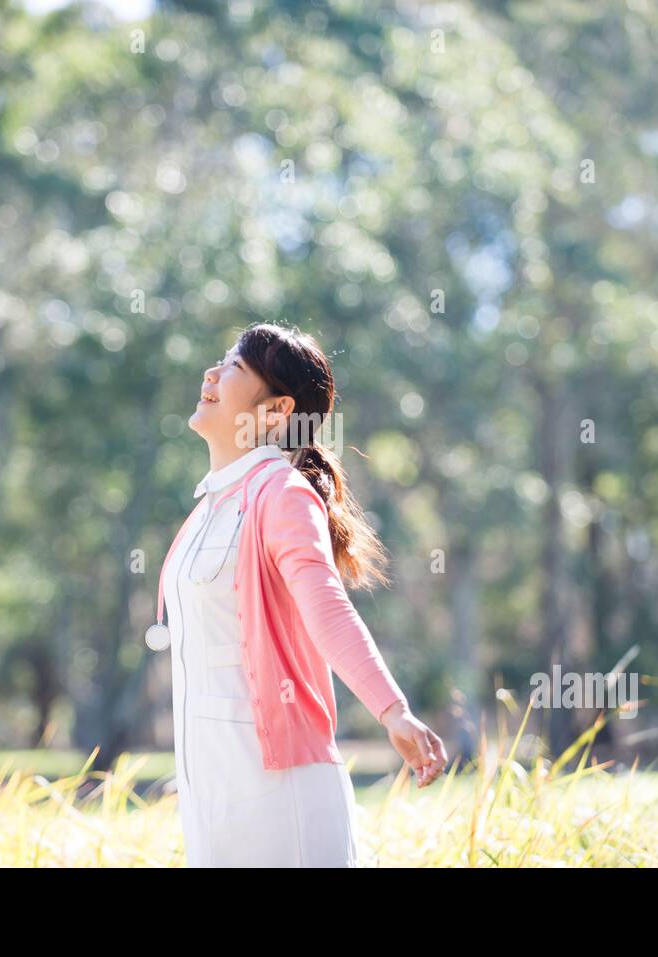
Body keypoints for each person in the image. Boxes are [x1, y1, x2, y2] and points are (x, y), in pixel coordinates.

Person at [148, 321, 446, 867]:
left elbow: (325, 605)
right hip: (211, 788)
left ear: (276, 409)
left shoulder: (282, 494)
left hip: (279, 789)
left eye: (235, 366)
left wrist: (393, 711)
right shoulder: (208, 509)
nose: (211, 373)